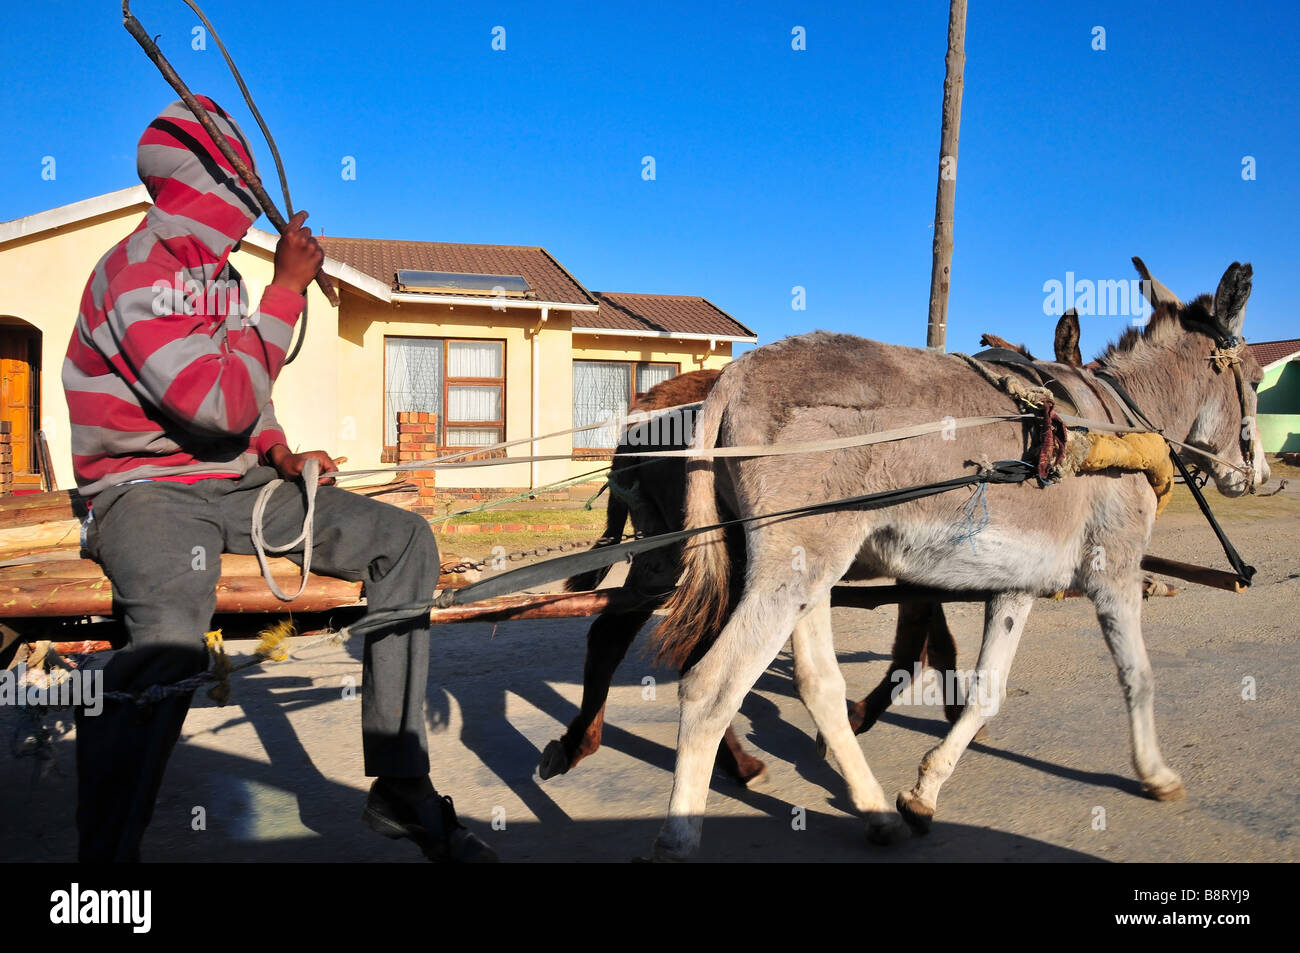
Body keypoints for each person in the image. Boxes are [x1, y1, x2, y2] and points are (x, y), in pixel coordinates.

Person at [64, 96, 495, 863]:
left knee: (404, 540)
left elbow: (247, 400)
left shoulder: (221, 279)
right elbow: (213, 400)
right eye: (239, 183)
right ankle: (104, 864)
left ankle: (398, 784)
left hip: (232, 482)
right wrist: (288, 289)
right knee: (168, 635)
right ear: (208, 182)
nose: (249, 202)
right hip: (140, 492)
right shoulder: (135, 273)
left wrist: (283, 453)